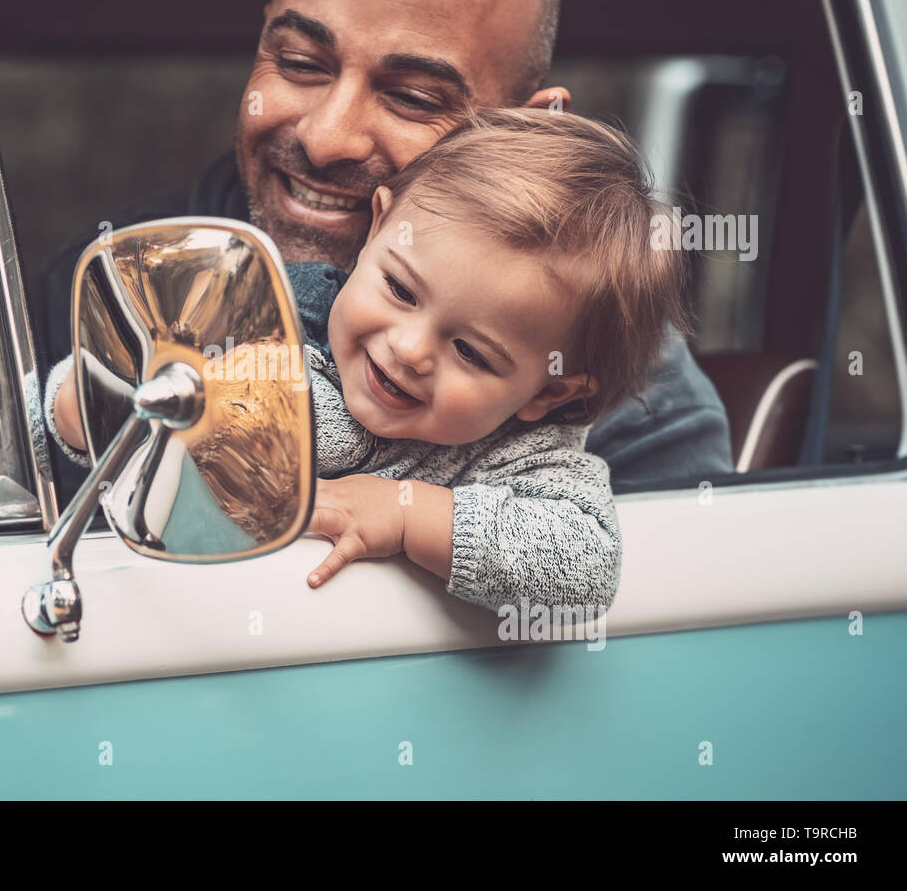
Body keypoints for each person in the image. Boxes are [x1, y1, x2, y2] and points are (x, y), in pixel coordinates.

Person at [29, 0, 732, 497]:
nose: (325, 136)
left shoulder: (636, 410)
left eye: (415, 98)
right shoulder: (117, 278)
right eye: (301, 61)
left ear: (528, 128)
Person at [40, 107, 691, 612]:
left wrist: (406, 512)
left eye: (469, 350)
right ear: (377, 229)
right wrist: (87, 404)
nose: (407, 348)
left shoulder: (528, 454)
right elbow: (130, 417)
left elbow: (583, 566)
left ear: (549, 392)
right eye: (400, 290)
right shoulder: (270, 331)